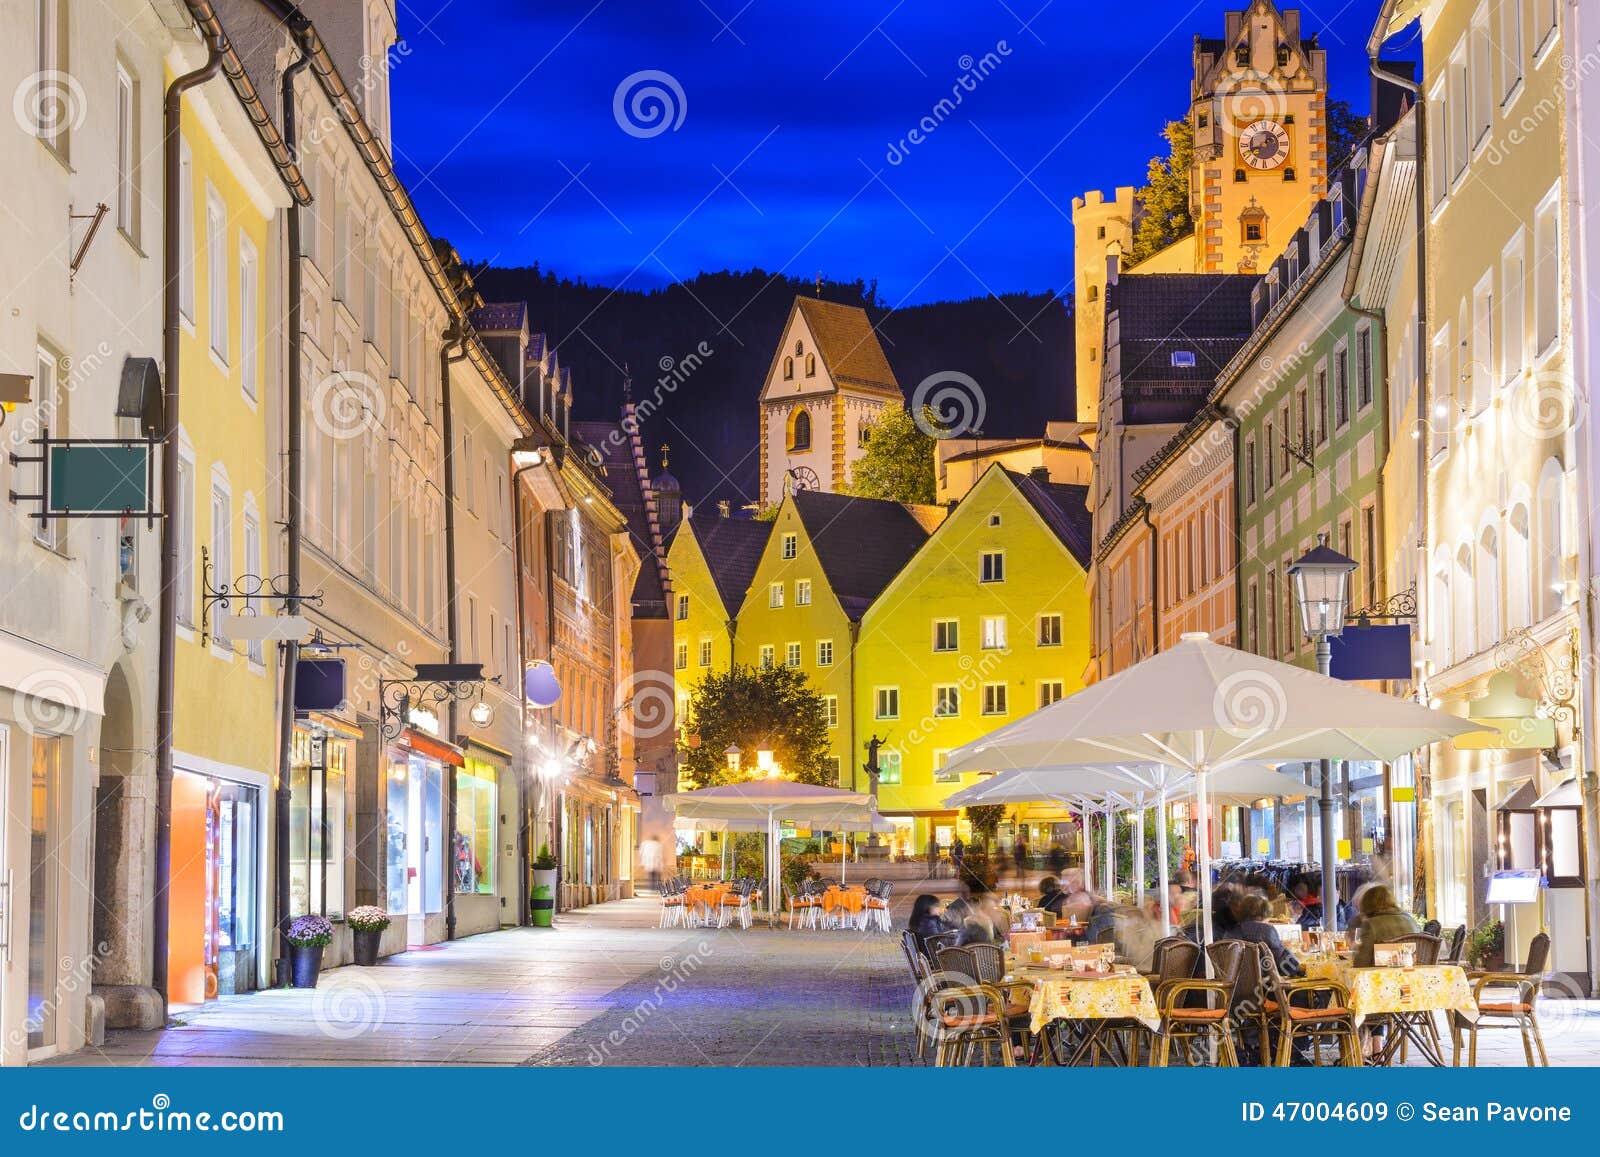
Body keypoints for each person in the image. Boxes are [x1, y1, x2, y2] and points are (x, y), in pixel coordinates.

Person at [1229, 893, 1303, 977]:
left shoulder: (1231, 932)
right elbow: (1283, 962)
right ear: (1265, 912)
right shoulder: (1268, 930)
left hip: (1233, 982)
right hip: (1265, 982)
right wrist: (1299, 968)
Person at [1351, 884, 1417, 967]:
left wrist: (1355, 952)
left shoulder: (1371, 924)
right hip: (1413, 972)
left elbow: (1361, 963)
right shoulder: (1411, 920)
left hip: (1381, 974)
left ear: (1367, 904)